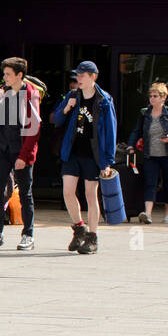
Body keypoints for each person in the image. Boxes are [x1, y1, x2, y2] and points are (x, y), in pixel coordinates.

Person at [52, 60, 117, 255]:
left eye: (82, 75)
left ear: (93, 77)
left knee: (90, 195)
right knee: (68, 192)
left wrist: (107, 161)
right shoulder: (73, 96)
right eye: (77, 75)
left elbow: (111, 131)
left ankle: (93, 237)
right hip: (72, 152)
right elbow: (56, 119)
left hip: (93, 154)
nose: (78, 78)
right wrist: (66, 109)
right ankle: (79, 228)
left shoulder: (104, 100)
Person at [0, 57, 42, 251]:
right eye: (4, 73)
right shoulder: (3, 90)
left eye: (8, 74)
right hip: (2, 148)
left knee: (25, 193)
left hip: (21, 150)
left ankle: (28, 234)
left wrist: (24, 156)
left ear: (19, 75)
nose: (4, 77)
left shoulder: (30, 94)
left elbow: (35, 128)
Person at [127, 81, 168, 224]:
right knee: (150, 183)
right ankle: (148, 214)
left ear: (163, 97)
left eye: (155, 96)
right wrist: (130, 145)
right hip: (150, 155)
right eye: (151, 96)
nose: (152, 98)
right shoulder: (145, 113)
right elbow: (137, 130)